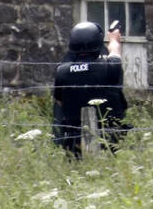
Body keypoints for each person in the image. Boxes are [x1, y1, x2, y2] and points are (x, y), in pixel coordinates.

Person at [52, 22, 128, 158]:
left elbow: (59, 102)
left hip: (74, 140)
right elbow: (115, 51)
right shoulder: (110, 68)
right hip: (111, 138)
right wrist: (114, 39)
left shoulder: (61, 71)